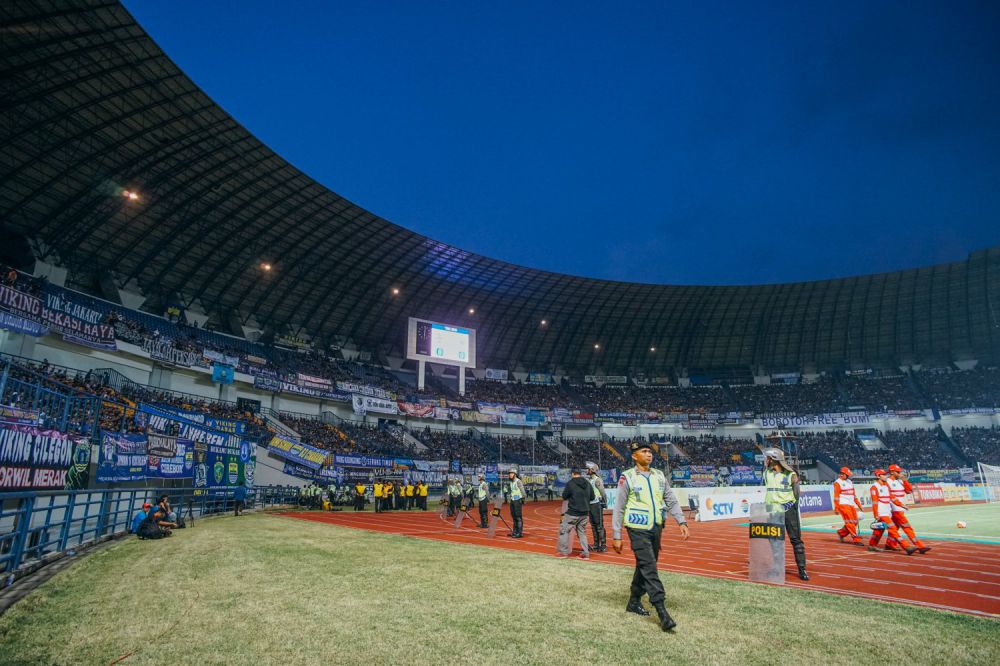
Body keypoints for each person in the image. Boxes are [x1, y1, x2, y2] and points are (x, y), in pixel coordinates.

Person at [612, 441, 688, 631]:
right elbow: (619, 508)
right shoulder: (627, 477)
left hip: (656, 527)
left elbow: (670, 499)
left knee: (644, 565)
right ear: (634, 456)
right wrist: (616, 534)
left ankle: (633, 601)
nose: (649, 454)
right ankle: (662, 611)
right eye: (644, 451)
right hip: (636, 529)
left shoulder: (659, 476)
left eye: (649, 451)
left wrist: (681, 521)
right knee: (649, 566)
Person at [762, 448, 809, 581]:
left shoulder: (791, 474)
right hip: (773, 511)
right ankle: (777, 569)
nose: (766, 460)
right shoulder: (766, 473)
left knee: (796, 540)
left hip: (789, 511)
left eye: (768, 458)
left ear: (773, 459)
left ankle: (802, 569)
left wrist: (790, 505)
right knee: (775, 541)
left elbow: (797, 493)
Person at [869, 469, 918, 555]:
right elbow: (875, 502)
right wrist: (876, 514)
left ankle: (872, 545)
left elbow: (892, 498)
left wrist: (902, 505)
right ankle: (906, 547)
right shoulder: (874, 487)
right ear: (878, 476)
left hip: (887, 512)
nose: (886, 476)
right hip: (882, 513)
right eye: (883, 475)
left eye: (886, 474)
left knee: (879, 530)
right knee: (893, 529)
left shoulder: (885, 486)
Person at [888, 464, 930, 554]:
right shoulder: (888, 482)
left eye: (900, 472)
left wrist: (904, 480)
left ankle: (890, 544)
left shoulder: (900, 481)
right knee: (907, 527)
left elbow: (909, 490)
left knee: (895, 527)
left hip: (900, 508)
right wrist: (899, 505)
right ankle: (920, 545)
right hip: (894, 508)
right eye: (898, 472)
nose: (900, 473)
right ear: (892, 472)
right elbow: (889, 495)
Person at [558, 469, 595, 559]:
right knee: (582, 533)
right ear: (580, 474)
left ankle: (563, 553)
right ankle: (585, 553)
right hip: (585, 513)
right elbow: (592, 497)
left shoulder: (570, 483)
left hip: (572, 513)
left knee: (564, 530)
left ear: (572, 474)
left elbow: (564, 496)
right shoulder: (587, 483)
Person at [832, 467, 864, 546]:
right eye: (847, 475)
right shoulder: (837, 483)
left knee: (855, 522)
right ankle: (856, 539)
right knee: (850, 522)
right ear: (842, 474)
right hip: (843, 505)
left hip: (851, 504)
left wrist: (858, 504)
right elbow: (836, 497)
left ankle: (841, 533)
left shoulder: (849, 482)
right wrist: (836, 508)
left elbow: (854, 495)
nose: (849, 476)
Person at [586, 462, 608, 552]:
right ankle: (596, 544)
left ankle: (603, 545)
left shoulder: (597, 480)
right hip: (590, 504)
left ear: (592, 470)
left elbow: (602, 492)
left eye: (588, 469)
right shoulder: (589, 480)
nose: (587, 470)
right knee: (593, 525)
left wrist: (605, 502)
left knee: (599, 525)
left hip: (596, 504)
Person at [506, 468, 527, 538]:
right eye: (509, 474)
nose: (509, 475)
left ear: (515, 474)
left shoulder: (518, 481)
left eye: (511, 473)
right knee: (514, 516)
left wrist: (523, 499)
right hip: (513, 501)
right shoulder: (511, 482)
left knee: (518, 517)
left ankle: (519, 533)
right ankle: (514, 532)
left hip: (518, 500)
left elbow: (523, 491)